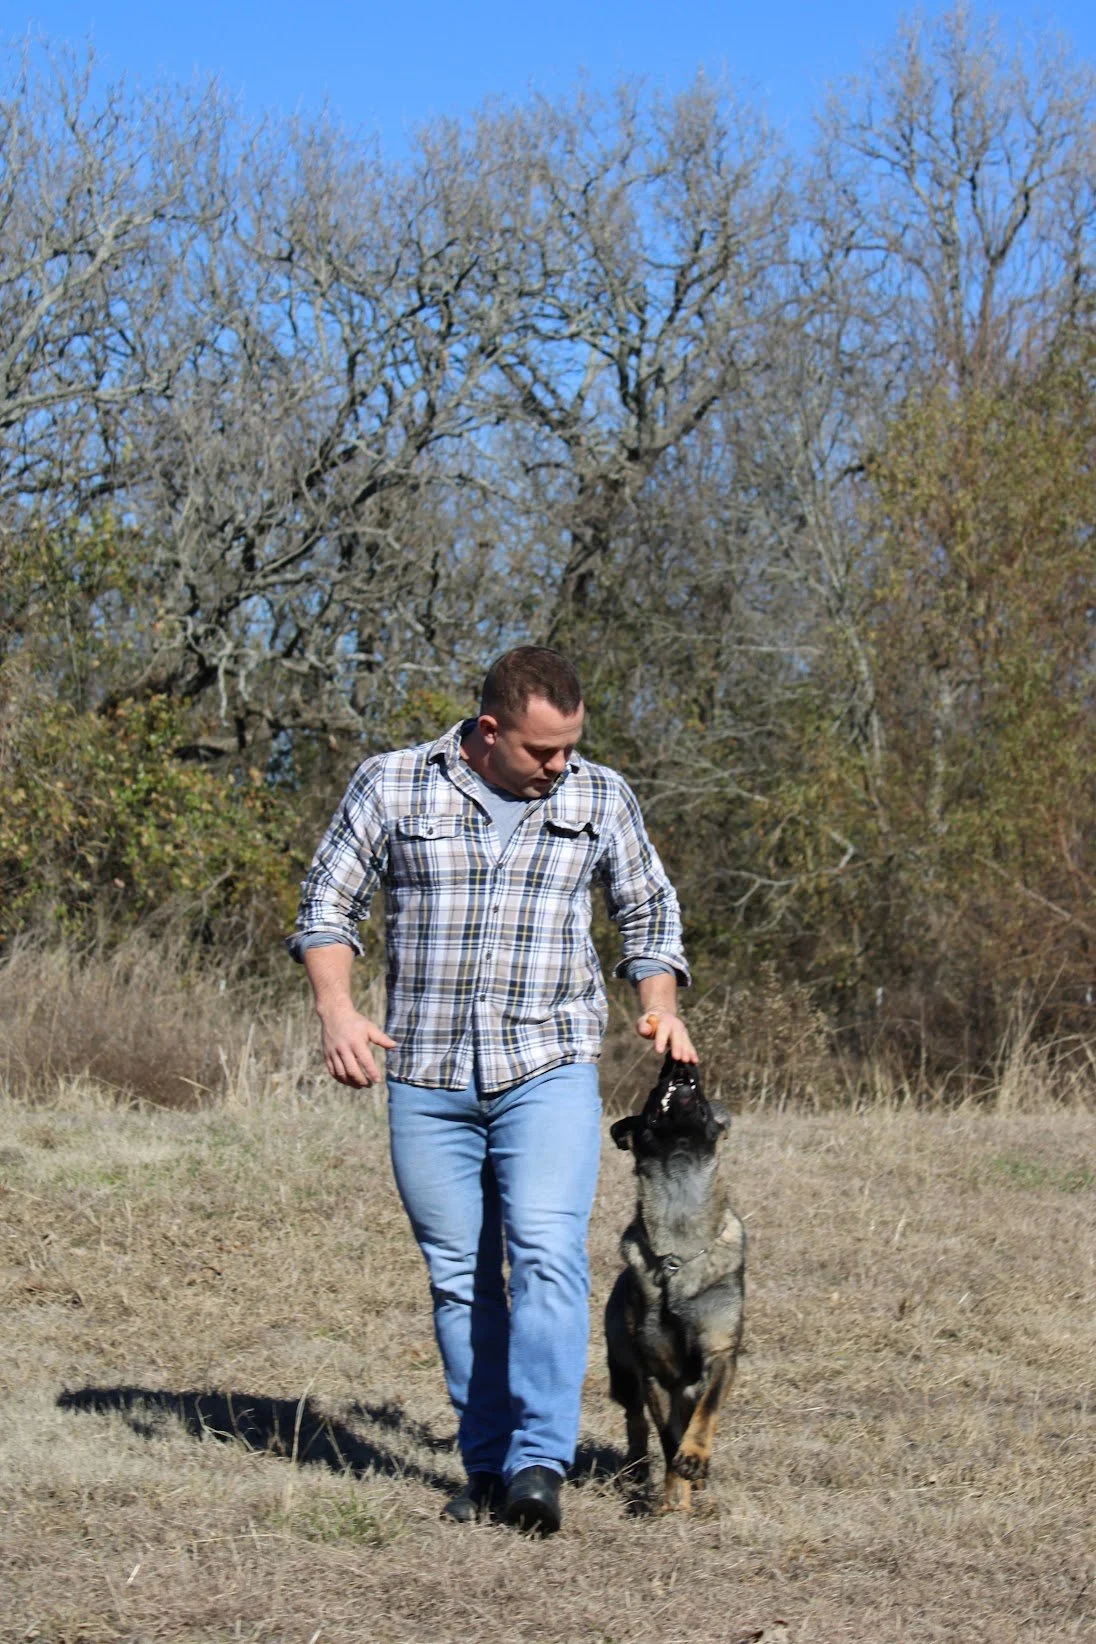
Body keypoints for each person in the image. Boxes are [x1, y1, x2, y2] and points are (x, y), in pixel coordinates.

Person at [288, 646, 695, 1534]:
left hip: (546, 1067)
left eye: (570, 748)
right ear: (488, 731)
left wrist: (658, 1005)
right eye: (542, 751)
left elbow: (650, 910)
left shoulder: (597, 796)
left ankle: (538, 1466)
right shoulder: (393, 785)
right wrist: (338, 1010)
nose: (559, 767)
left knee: (546, 1253)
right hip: (428, 1076)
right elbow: (328, 904)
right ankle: (485, 1462)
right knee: (461, 1279)